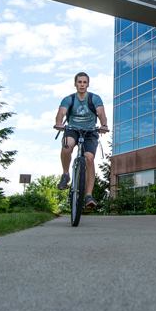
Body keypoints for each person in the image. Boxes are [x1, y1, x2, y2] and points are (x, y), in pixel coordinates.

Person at [55, 71, 109, 210]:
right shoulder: (69, 99)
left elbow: (101, 114)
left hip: (90, 132)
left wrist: (103, 125)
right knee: (67, 146)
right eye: (79, 82)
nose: (82, 85)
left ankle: (88, 196)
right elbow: (61, 113)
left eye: (84, 82)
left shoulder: (94, 98)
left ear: (88, 84)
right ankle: (66, 174)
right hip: (72, 129)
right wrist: (59, 123)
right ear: (75, 84)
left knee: (89, 158)